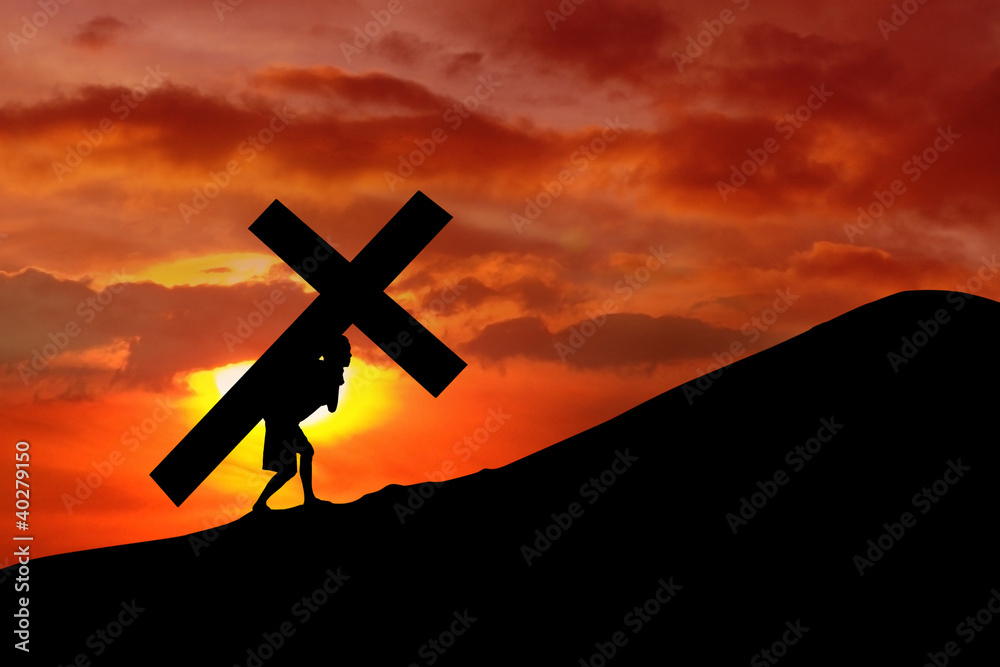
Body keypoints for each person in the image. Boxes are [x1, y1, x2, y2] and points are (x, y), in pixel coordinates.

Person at [252, 334, 351, 512]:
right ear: (336, 353)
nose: (350, 355)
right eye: (347, 351)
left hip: (286, 420)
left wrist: (336, 377)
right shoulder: (318, 368)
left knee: (290, 469)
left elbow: (331, 407)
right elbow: (331, 406)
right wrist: (334, 376)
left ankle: (262, 503)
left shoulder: (331, 372)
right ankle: (307, 499)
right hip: (281, 418)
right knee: (304, 454)